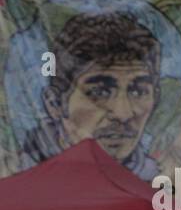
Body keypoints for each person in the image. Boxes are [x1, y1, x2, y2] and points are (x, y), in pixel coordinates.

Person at [25, 11, 162, 177]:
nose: (123, 114)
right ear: (54, 104)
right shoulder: (15, 176)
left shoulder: (163, 181)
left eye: (138, 91)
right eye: (100, 92)